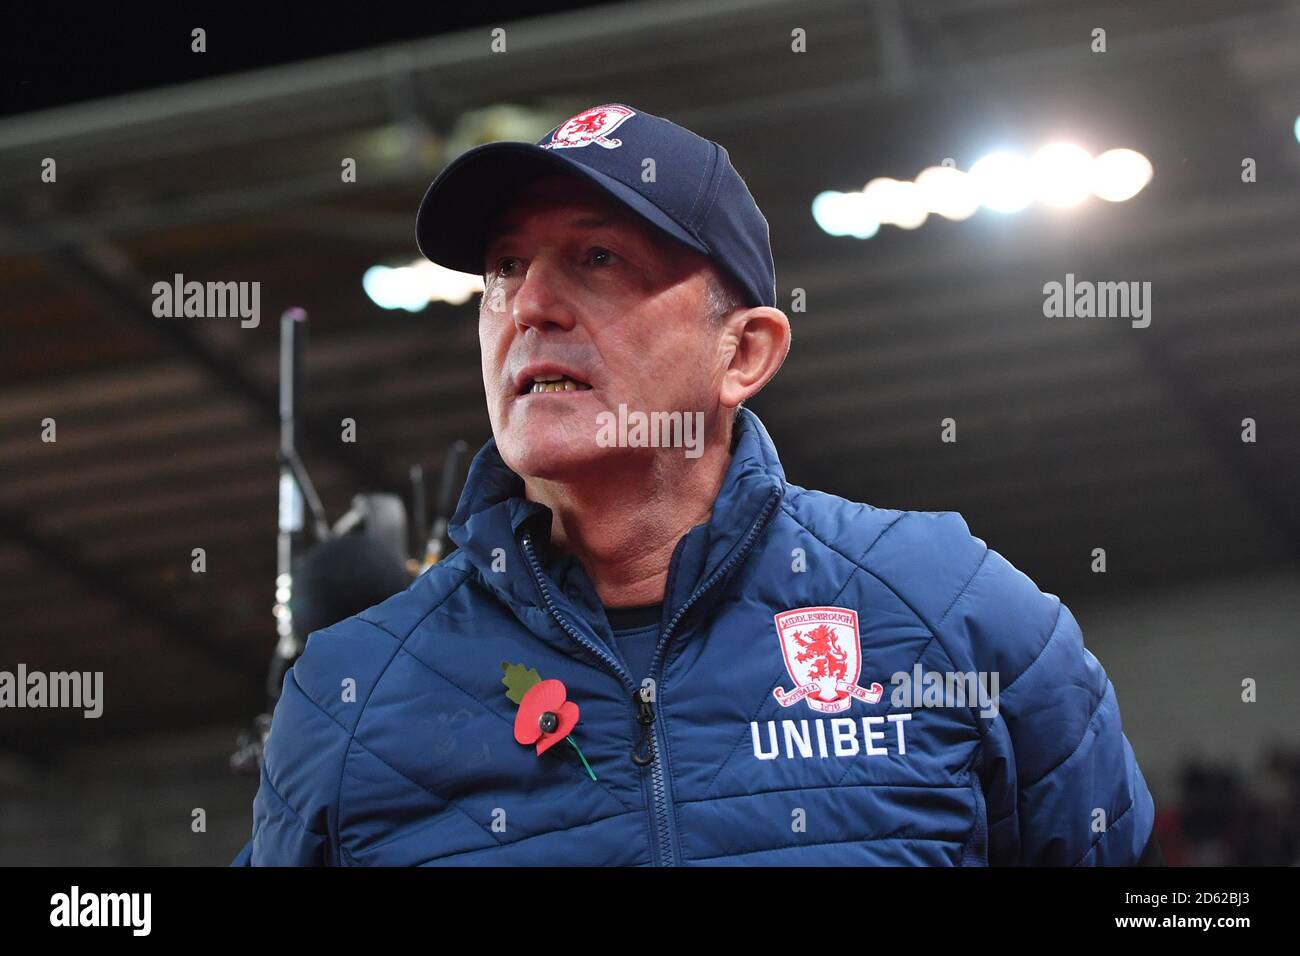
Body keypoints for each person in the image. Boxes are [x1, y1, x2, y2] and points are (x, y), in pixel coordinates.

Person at [232, 103, 1159, 866]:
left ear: (743, 351)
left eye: (597, 259)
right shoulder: (350, 697)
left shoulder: (951, 614)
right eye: (505, 268)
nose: (531, 306)